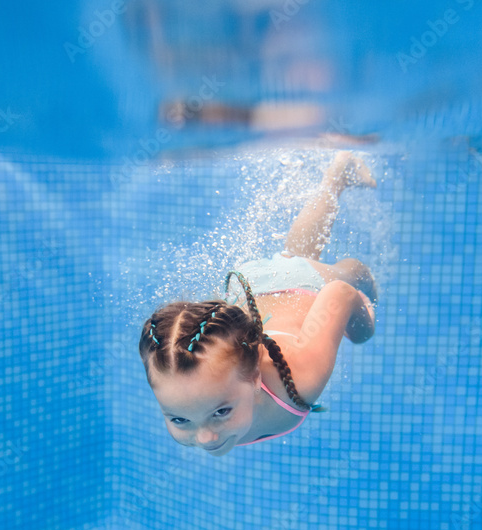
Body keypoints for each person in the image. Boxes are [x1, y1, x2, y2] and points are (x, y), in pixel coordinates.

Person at [138, 151, 379, 457]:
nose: (206, 437)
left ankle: (340, 202)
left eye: (221, 412)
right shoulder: (189, 378)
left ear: (255, 377)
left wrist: (363, 331)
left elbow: (339, 293)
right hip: (249, 285)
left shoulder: (300, 378)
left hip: (301, 284)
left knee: (318, 265)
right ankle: (337, 174)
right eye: (179, 419)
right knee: (294, 251)